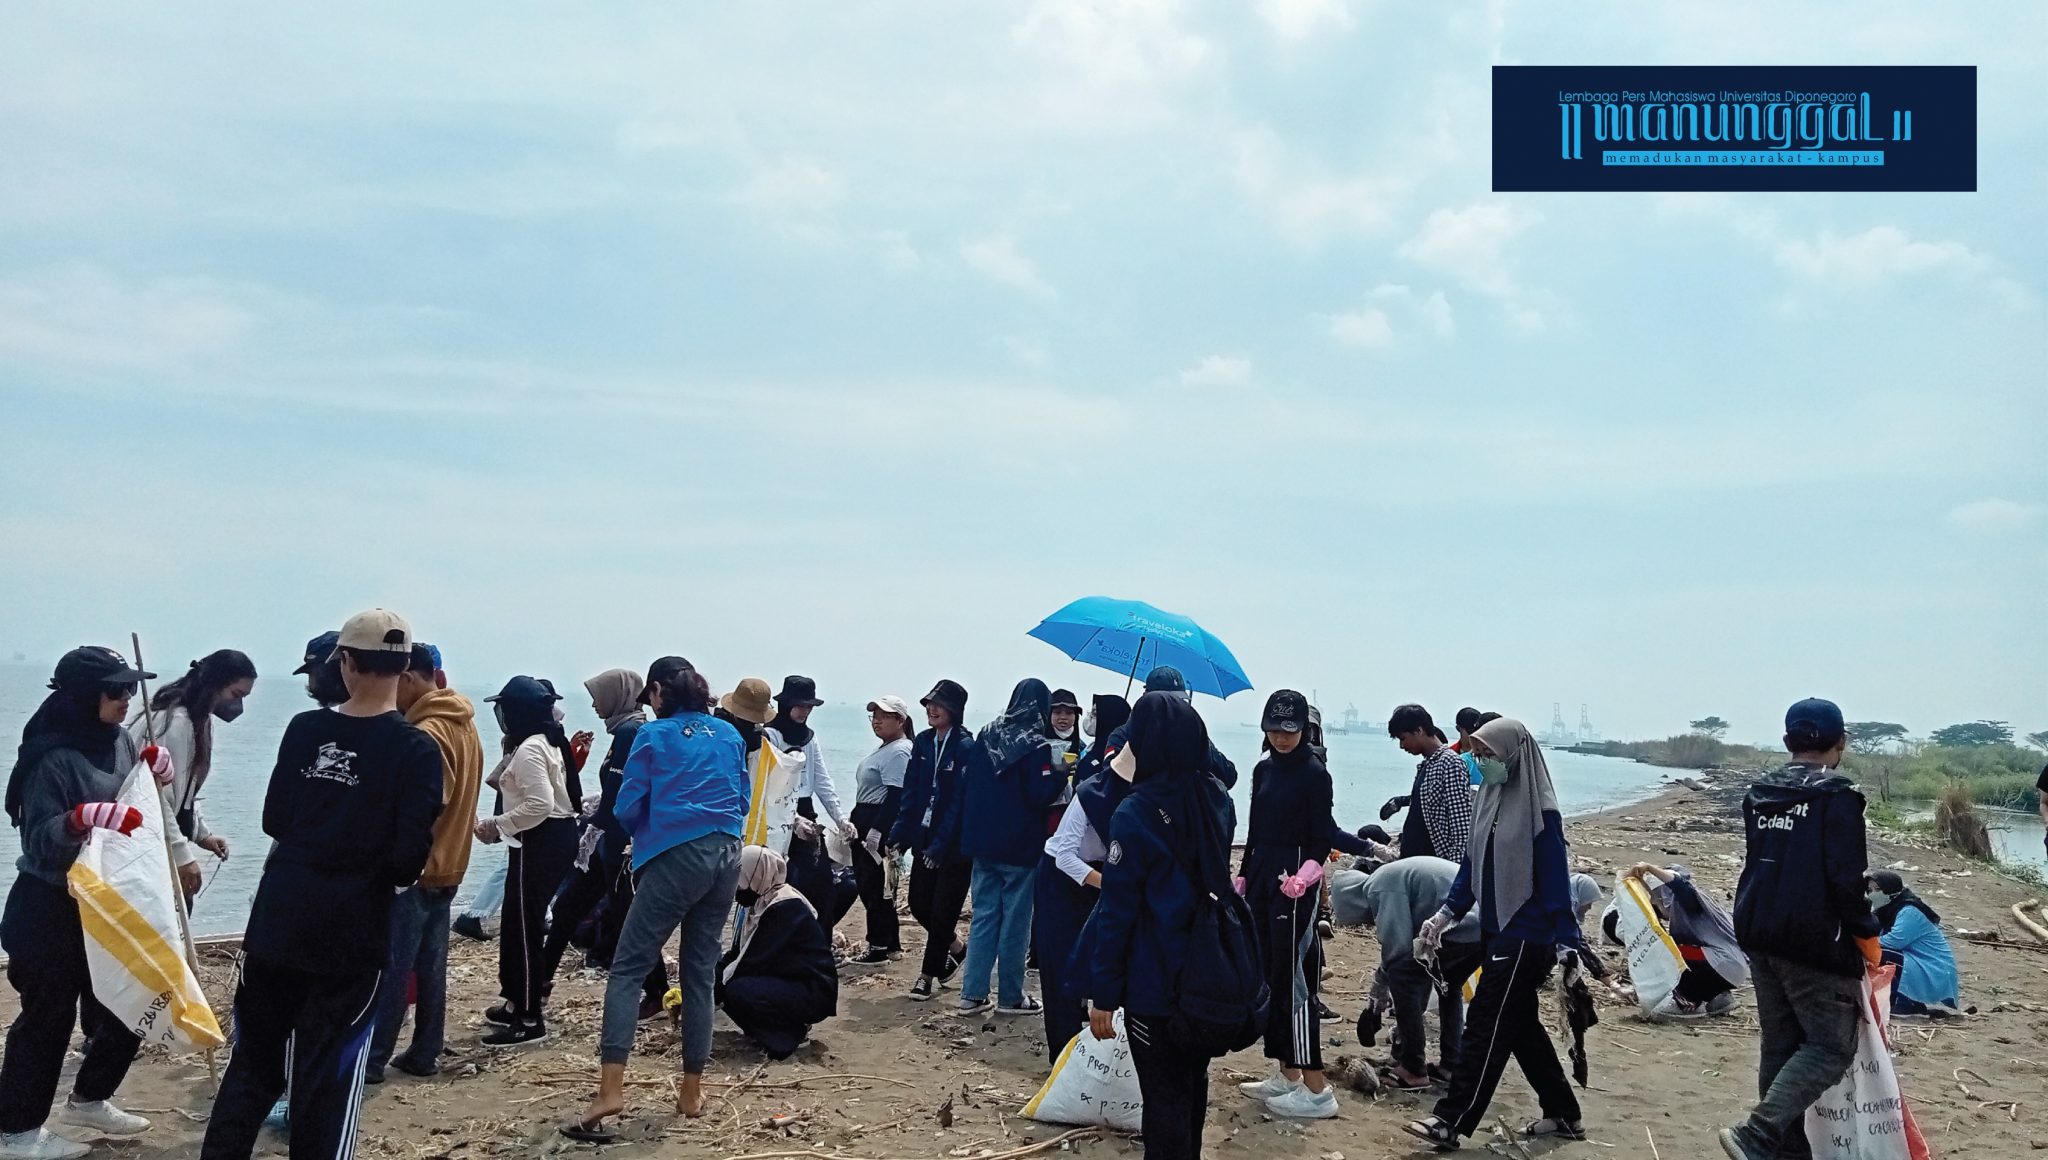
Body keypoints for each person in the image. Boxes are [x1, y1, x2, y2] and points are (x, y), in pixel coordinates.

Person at [202, 610, 443, 1160]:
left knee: (253, 1070)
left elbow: (276, 820)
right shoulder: (415, 750)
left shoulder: (305, 729)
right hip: (351, 933)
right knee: (328, 1077)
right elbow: (409, 860)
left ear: (346, 662)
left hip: (279, 917)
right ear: (404, 668)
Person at [567, 657, 746, 1140]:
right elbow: (742, 797)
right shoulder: (729, 734)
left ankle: (610, 1090)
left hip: (674, 852)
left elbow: (626, 807)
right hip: (728, 851)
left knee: (628, 968)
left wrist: (649, 832)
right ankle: (691, 1091)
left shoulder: (653, 735)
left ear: (659, 692)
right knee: (699, 971)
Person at [1, 646, 160, 1160]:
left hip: (105, 902)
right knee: (47, 1020)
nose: (126, 698)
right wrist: (79, 819)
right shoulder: (51, 756)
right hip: (49, 904)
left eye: (131, 688)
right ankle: (18, 1133)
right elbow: (39, 841)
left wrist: (151, 775)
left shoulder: (119, 740)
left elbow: (135, 809)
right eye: (115, 690)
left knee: (128, 1002)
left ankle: (90, 1098)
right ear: (82, 696)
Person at [1404, 716, 1588, 1150]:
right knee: (1521, 1026)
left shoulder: (1539, 811)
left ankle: (1451, 1120)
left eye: (1489, 755)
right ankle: (1565, 1113)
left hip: (1528, 935)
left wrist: (1567, 940)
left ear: (1514, 756)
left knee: (1485, 1022)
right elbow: (1472, 864)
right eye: (1479, 754)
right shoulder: (1488, 797)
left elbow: (1555, 876)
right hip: (1495, 927)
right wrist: (1446, 914)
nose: (1482, 762)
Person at [1717, 698, 1881, 1160]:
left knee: (1781, 1046)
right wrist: (1866, 932)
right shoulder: (1838, 798)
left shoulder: (1760, 793)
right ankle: (1758, 1133)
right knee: (1829, 1048)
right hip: (1813, 941)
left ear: (1788, 741)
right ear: (1840, 743)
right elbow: (1845, 880)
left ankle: (1783, 1155)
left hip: (1758, 930)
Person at [1089, 691, 1239, 1160]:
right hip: (1208, 963)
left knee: (1163, 1097)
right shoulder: (1217, 798)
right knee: (1193, 1082)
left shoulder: (1135, 812)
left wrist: (1104, 993)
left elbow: (1117, 910)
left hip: (1155, 976)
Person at [1236, 689, 1373, 1120]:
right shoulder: (1263, 769)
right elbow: (1255, 825)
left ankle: (1316, 1088)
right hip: (1261, 873)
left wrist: (1309, 874)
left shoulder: (1316, 773)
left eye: (1289, 730)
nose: (1281, 737)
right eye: (1274, 729)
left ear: (1304, 730)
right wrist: (1243, 872)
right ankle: (1287, 1072)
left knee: (1292, 979)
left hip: (1295, 878)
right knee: (1268, 973)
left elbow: (1321, 834)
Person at [366, 643, 485, 1082]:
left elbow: (428, 804)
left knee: (395, 967)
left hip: (420, 867)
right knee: (432, 965)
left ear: (411, 679)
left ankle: (374, 1058)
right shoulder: (465, 724)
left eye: (394, 683)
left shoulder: (429, 732)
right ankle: (425, 1049)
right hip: (450, 862)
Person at [534, 668, 666, 1017]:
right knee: (569, 908)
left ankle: (659, 993)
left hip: (617, 844)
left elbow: (623, 792)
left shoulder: (630, 732)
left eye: (597, 696)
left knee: (626, 919)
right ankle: (540, 984)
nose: (593, 704)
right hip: (607, 839)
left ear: (616, 696)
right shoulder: (625, 729)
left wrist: (593, 824)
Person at [472, 676, 581, 1047]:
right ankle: (516, 999)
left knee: (524, 926)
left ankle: (530, 1016)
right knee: (519, 921)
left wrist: (496, 824)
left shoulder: (532, 748)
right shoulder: (543, 741)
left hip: (542, 838)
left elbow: (541, 804)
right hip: (547, 838)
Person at [957, 679, 1065, 1017]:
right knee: (1016, 922)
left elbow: (970, 786)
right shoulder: (1036, 746)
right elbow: (1039, 795)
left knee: (984, 918)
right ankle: (1011, 996)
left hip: (982, 842)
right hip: (1019, 848)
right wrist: (1061, 774)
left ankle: (972, 995)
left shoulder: (986, 736)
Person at [1033, 693, 1132, 1060]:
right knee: (1060, 965)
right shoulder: (1091, 795)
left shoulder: (1136, 806)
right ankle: (1061, 1052)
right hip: (1062, 877)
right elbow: (1064, 856)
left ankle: (1099, 1046)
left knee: (1099, 959)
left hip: (1100, 876)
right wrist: (1108, 884)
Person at [122, 649, 257, 903]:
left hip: (161, 840)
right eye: (236, 695)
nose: (237, 705)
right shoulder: (174, 723)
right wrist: (182, 855)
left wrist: (201, 834)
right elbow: (156, 796)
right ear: (215, 685)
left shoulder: (198, 720)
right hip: (145, 845)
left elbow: (185, 794)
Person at [1354, 855, 1480, 1091]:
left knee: (1404, 977)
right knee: (1449, 985)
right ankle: (1451, 1065)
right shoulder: (1392, 874)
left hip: (1459, 921)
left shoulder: (1379, 885)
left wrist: (1378, 995)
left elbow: (1398, 948)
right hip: (1480, 923)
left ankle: (1413, 1069)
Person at [889, 679, 977, 1002]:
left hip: (955, 847)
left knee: (943, 912)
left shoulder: (967, 747)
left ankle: (926, 976)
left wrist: (941, 846)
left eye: (939, 704)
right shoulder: (923, 743)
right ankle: (956, 947)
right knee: (918, 904)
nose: (932, 709)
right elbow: (911, 793)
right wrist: (899, 833)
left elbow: (959, 803)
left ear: (955, 710)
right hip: (924, 838)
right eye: (929, 704)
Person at [716, 846, 838, 1059]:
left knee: (736, 989)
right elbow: (736, 954)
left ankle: (789, 1036)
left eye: (741, 878)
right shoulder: (758, 905)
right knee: (725, 986)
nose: (737, 888)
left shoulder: (784, 907)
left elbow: (751, 961)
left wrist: (713, 987)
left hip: (812, 990)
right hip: (789, 980)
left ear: (756, 874)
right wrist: (701, 983)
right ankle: (772, 1030)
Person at [1602, 863, 1746, 1018]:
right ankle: (1717, 997)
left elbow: (1680, 885)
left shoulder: (1687, 901)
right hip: (1733, 967)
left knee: (1665, 953)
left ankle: (1687, 1002)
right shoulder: (1703, 907)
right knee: (1677, 951)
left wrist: (1650, 868)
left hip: (1721, 962)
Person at [767, 676, 854, 916]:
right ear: (786, 704)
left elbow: (822, 780)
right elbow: (767, 787)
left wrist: (840, 818)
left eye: (809, 707)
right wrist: (792, 818)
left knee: (822, 883)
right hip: (777, 815)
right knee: (783, 882)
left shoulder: (810, 737)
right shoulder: (771, 736)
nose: (805, 711)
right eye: (800, 705)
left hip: (806, 809)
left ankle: (818, 942)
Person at [845, 696, 915, 965]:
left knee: (875, 886)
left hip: (878, 819)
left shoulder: (899, 751)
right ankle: (890, 944)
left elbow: (896, 797)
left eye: (884, 716)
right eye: (874, 715)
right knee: (877, 886)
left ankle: (877, 947)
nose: (877, 720)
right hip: (866, 815)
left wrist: (876, 831)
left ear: (900, 720)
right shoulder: (885, 748)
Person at [1379, 704, 1475, 862]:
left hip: (1434, 864)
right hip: (1416, 861)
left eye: (1403, 738)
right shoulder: (1427, 764)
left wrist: (1454, 872)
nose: (1402, 746)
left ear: (1419, 731)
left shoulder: (1449, 763)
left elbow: (1461, 827)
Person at [1866, 870, 1960, 1016]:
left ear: (1891, 890)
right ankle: (1894, 999)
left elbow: (1894, 941)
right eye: (1870, 890)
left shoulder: (1909, 911)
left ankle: (1907, 1003)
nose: (1873, 894)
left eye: (1878, 890)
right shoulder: (1885, 911)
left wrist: (1863, 941)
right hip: (1915, 961)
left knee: (1880, 954)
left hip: (1933, 967)